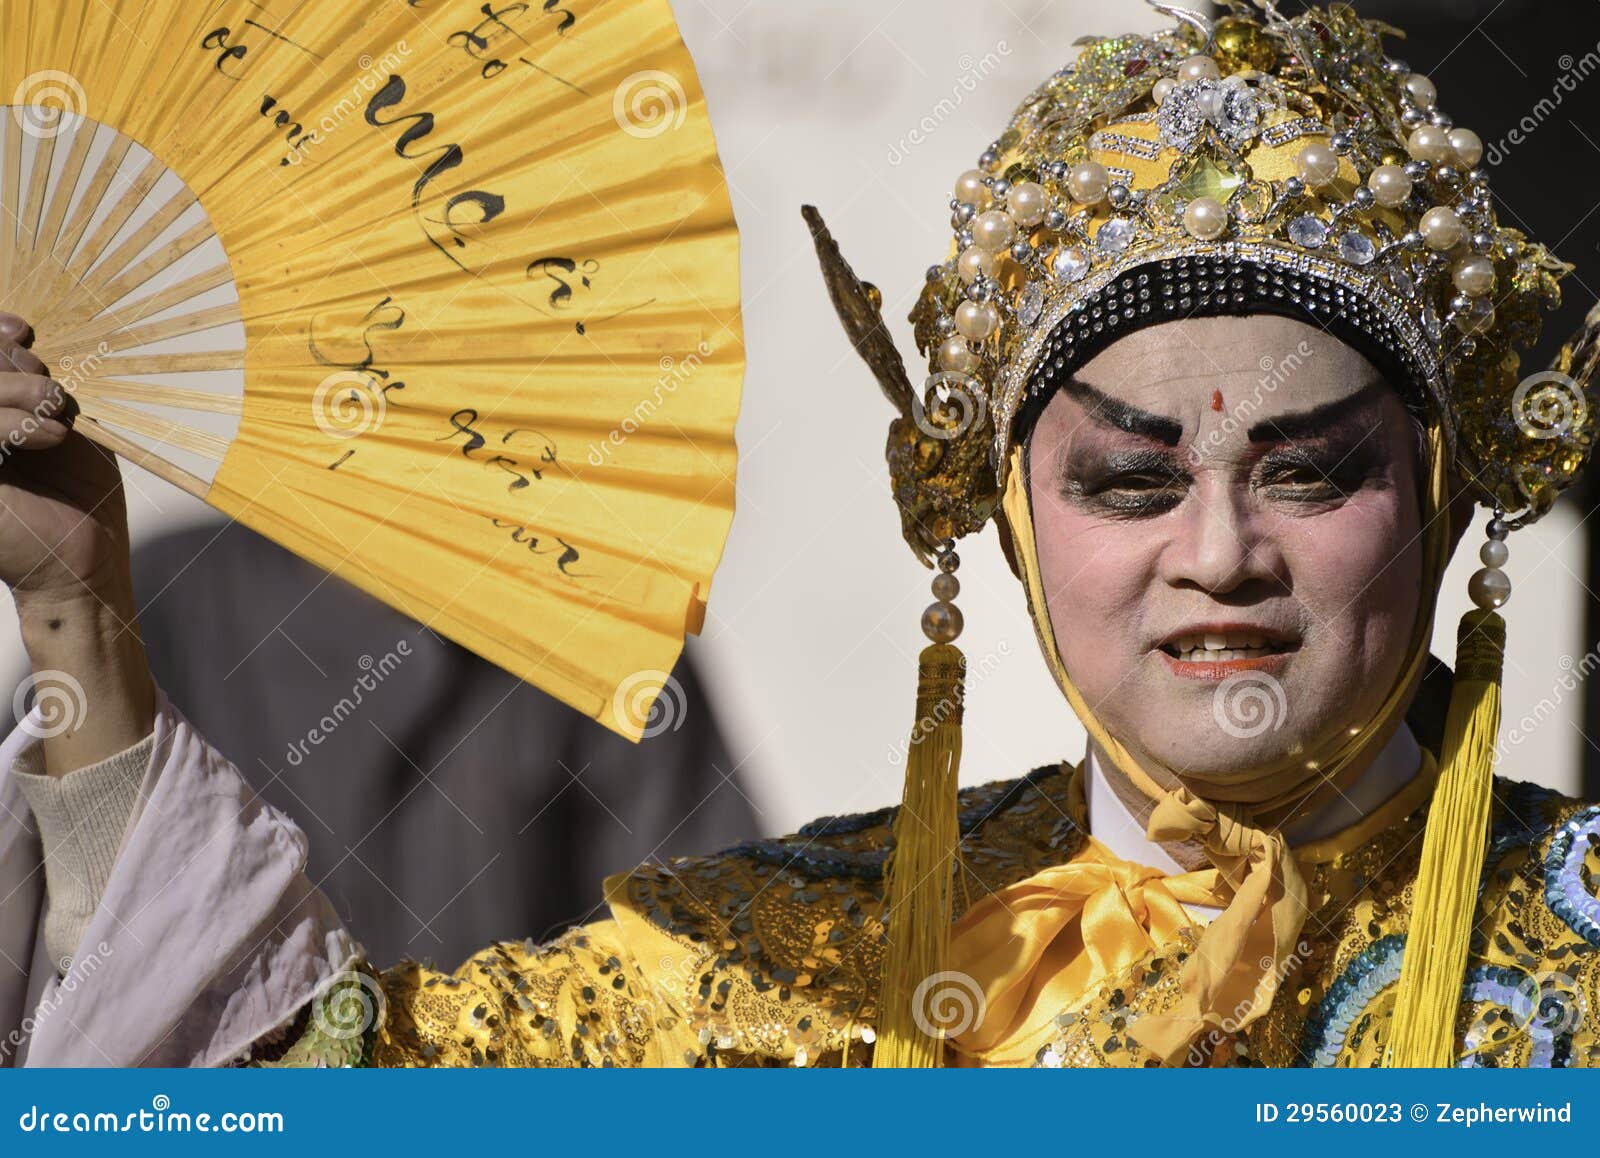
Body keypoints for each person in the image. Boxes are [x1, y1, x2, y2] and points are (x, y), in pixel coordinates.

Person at [3, 1, 1600, 1068]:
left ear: (1449, 493)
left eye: (1311, 473)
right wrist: (77, 610)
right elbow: (291, 1092)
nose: (1223, 549)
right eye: (1129, 479)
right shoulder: (790, 972)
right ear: (1008, 517)